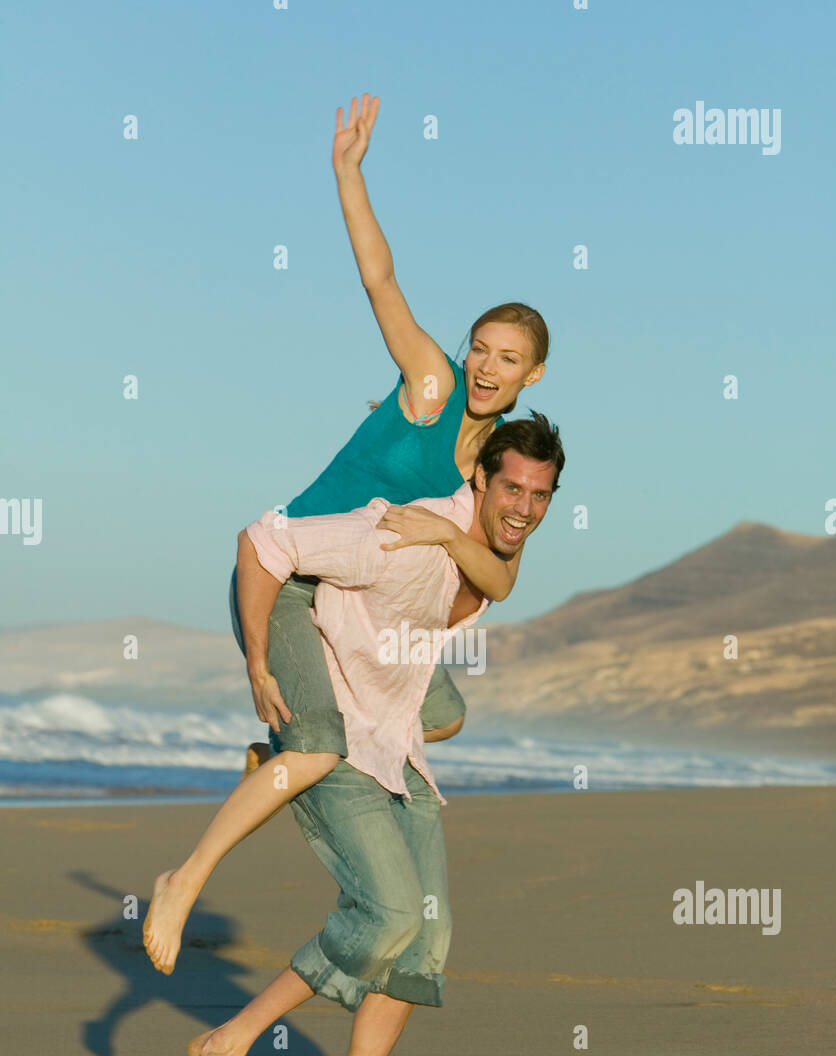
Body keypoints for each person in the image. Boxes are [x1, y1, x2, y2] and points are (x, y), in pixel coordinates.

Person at [143, 92, 551, 974]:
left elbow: (500, 566)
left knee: (439, 710)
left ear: (533, 374)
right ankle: (186, 875)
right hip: (287, 574)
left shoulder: (495, 463)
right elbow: (380, 278)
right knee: (326, 741)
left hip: (347, 595)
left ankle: (279, 757)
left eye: (506, 357)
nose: (484, 365)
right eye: (481, 346)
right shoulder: (433, 385)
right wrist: (348, 171)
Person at [184, 413, 565, 1056]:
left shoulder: (480, 549)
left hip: (395, 749)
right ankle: (227, 1042)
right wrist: (262, 664)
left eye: (540, 494)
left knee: (426, 942)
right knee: (388, 916)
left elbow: (494, 578)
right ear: (479, 481)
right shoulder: (401, 531)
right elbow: (264, 542)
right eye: (510, 487)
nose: (523, 505)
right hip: (344, 744)